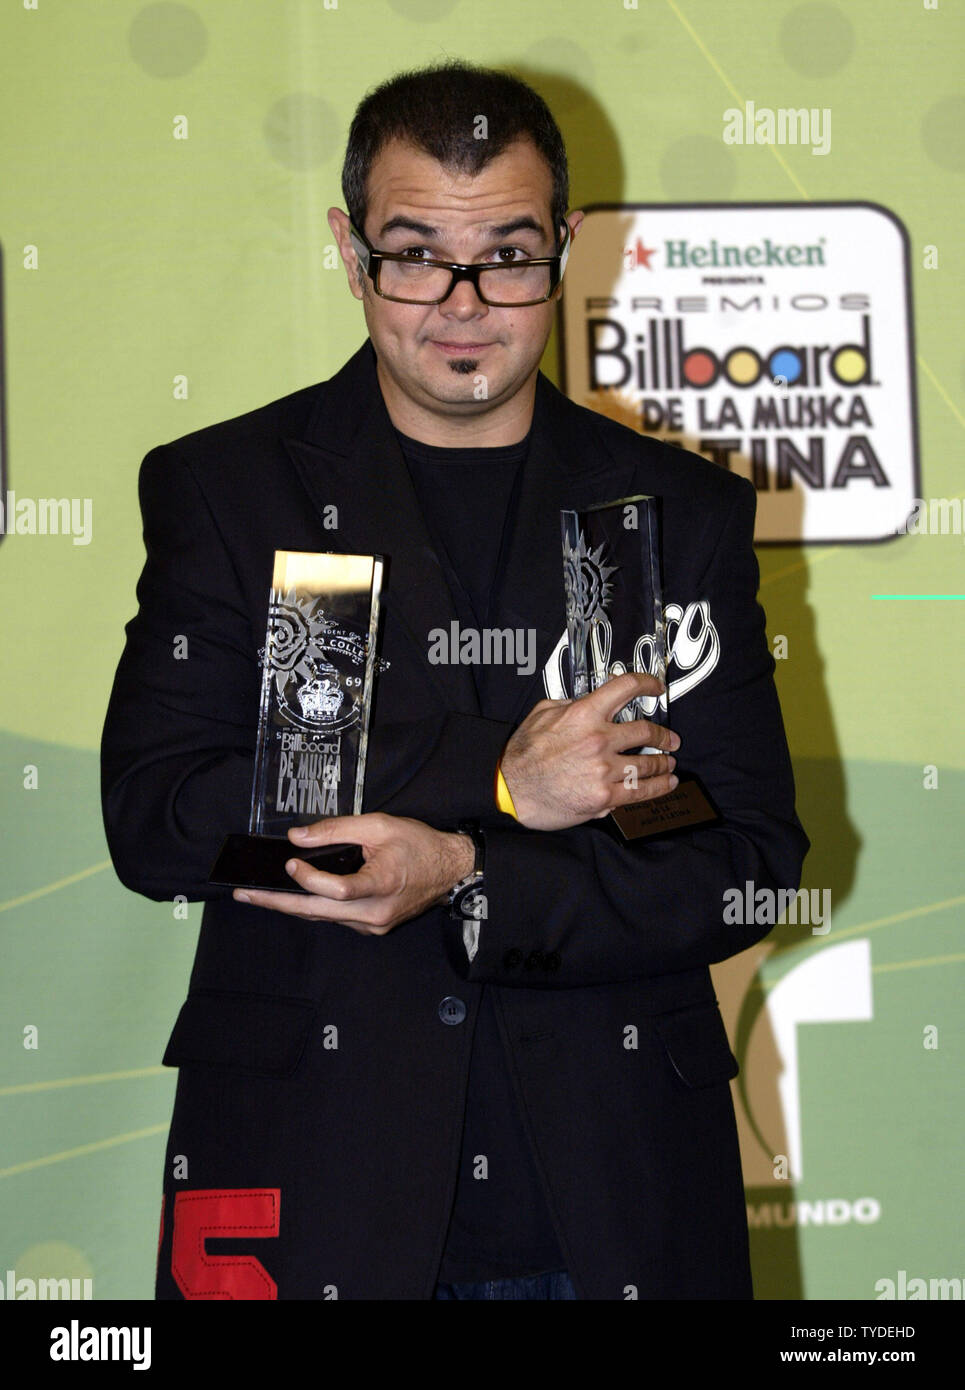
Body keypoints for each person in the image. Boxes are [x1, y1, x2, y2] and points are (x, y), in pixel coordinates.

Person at [101, 59, 809, 1301]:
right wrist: (495, 774)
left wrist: (476, 870)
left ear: (565, 249)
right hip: (310, 1184)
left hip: (616, 1196)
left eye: (509, 254)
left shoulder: (676, 515)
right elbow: (162, 821)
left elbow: (745, 867)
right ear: (350, 248)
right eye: (416, 252)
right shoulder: (229, 492)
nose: (463, 302)